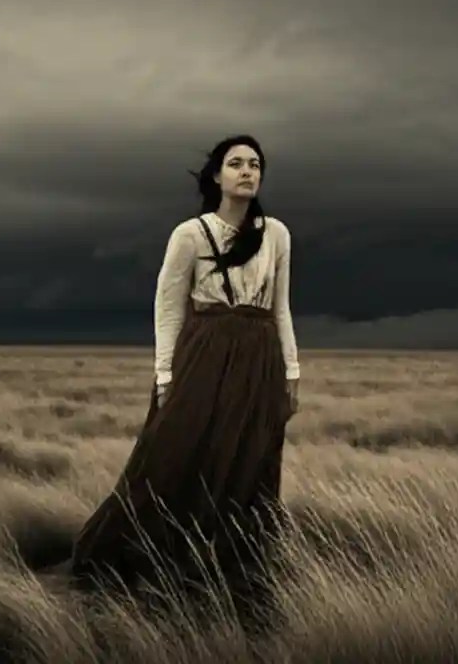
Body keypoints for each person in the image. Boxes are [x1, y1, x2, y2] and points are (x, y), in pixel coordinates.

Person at [67, 134, 300, 632]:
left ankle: (234, 570)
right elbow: (168, 306)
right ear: (216, 176)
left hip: (259, 357)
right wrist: (165, 374)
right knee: (175, 454)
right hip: (204, 354)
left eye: (255, 164)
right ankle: (152, 559)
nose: (246, 171)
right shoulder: (190, 235)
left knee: (252, 458)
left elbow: (280, 308)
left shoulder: (276, 234)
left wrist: (292, 372)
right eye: (235, 163)